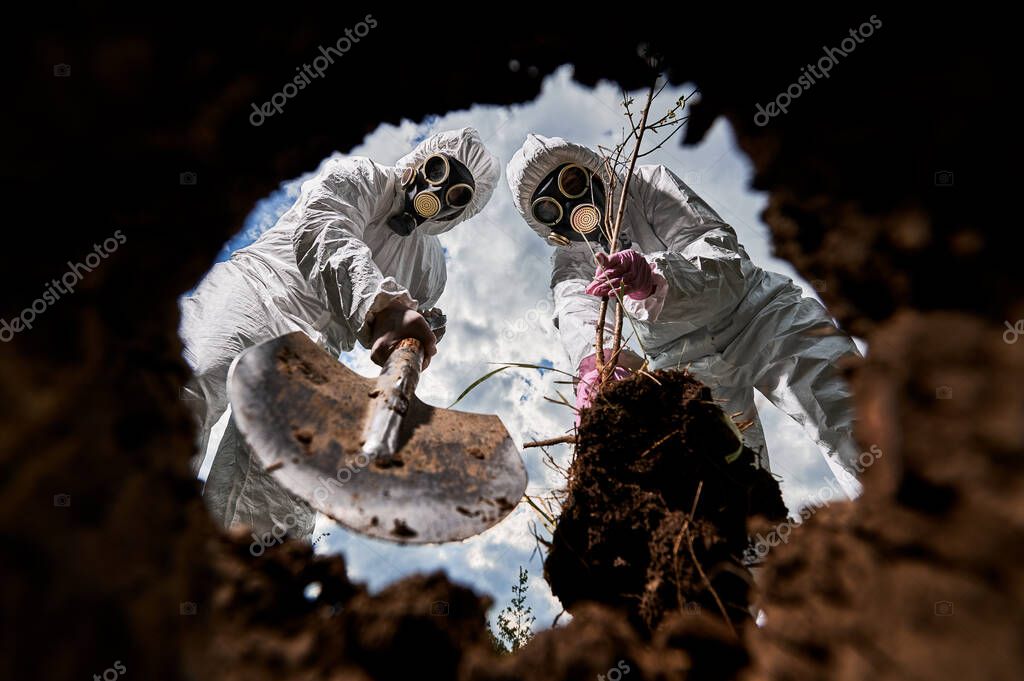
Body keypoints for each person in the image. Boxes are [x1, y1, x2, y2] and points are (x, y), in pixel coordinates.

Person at [180, 128, 500, 538]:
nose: (438, 190)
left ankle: (225, 588)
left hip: (316, 348)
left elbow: (399, 326)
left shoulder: (429, 269)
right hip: (258, 288)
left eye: (458, 195)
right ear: (421, 160)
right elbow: (324, 227)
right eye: (438, 169)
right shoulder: (363, 176)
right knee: (194, 381)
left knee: (278, 484)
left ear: (460, 213)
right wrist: (381, 305)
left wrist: (415, 329)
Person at [506, 134, 862, 497]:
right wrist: (597, 368)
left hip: (761, 315)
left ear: (595, 172)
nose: (572, 204)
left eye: (573, 182)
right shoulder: (571, 262)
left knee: (852, 417)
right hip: (684, 364)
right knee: (717, 492)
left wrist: (656, 278)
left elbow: (717, 250)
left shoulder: (646, 185)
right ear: (551, 231)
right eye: (550, 209)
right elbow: (575, 310)